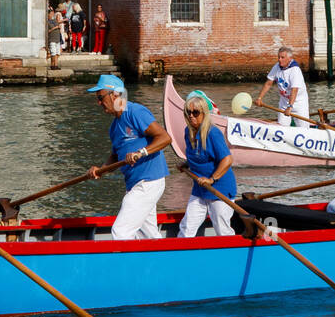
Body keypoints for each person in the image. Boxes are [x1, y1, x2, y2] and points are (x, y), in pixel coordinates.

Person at [84, 74, 170, 240]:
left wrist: (141, 153)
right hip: (135, 183)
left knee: (121, 231)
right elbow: (116, 155)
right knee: (149, 235)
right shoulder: (114, 127)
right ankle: (161, 261)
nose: (99, 103)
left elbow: (165, 137)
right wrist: (100, 170)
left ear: (115, 95)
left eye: (101, 97)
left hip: (148, 182)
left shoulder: (135, 112)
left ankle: (125, 265)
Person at [178, 91, 235, 237]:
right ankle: (179, 255)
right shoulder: (188, 132)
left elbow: (227, 159)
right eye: (188, 112)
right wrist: (186, 164)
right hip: (200, 189)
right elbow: (198, 155)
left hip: (219, 189)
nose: (191, 116)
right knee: (187, 226)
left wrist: (212, 179)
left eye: (195, 112)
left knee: (222, 230)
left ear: (204, 114)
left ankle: (231, 254)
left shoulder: (213, 133)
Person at [256, 46, 310, 126]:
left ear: (290, 58)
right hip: (284, 103)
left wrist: (290, 106)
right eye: (279, 57)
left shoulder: (295, 70)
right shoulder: (277, 67)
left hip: (299, 103)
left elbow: (294, 90)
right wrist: (259, 98)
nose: (279, 60)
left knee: (303, 129)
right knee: (282, 126)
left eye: (282, 57)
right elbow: (268, 83)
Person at [45, 4, 61, 68]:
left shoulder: (54, 20)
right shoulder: (47, 22)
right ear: (48, 14)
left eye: (52, 13)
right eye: (50, 14)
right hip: (52, 39)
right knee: (53, 52)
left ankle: (56, 65)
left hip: (57, 39)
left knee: (57, 53)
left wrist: (57, 27)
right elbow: (48, 31)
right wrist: (54, 28)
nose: (52, 15)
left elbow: (58, 27)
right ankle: (52, 65)